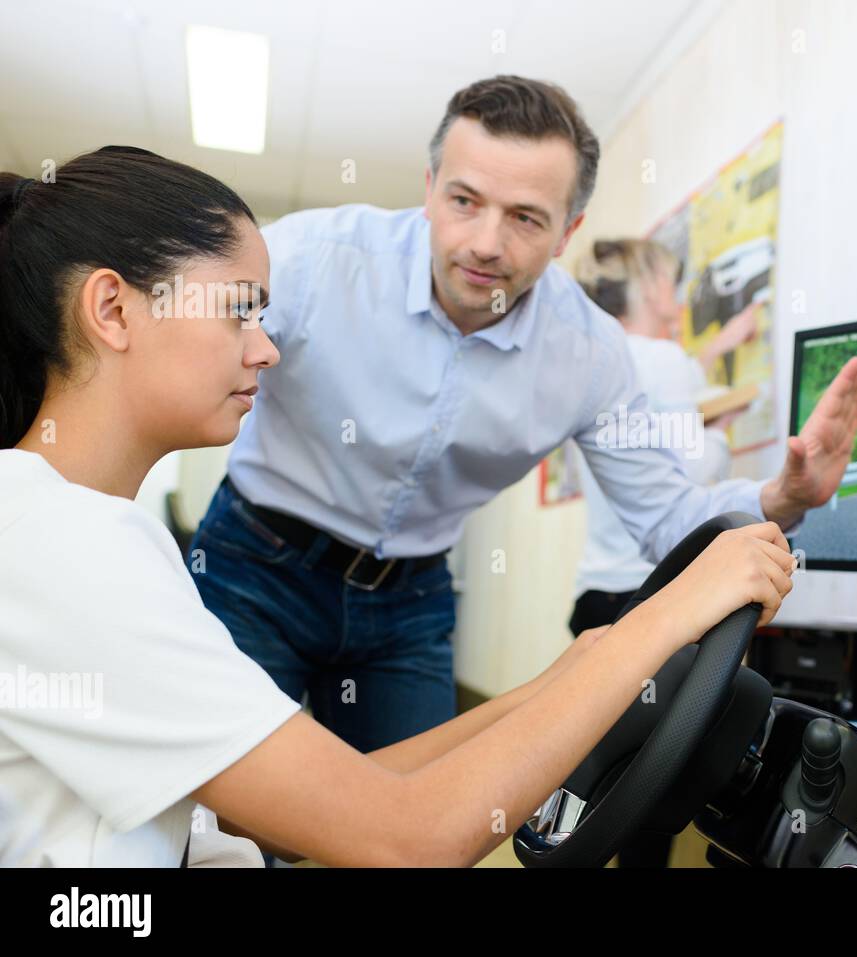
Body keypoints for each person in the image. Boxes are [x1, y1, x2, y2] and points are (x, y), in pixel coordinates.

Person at [0, 147, 797, 867]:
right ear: (111, 310)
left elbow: (273, 818)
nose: (266, 346)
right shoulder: (63, 545)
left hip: (405, 587)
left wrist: (576, 670)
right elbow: (407, 836)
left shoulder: (83, 532)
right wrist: (663, 620)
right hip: (268, 553)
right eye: (239, 308)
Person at [191, 74, 857, 755]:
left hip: (408, 600)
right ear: (429, 188)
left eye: (525, 217)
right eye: (465, 200)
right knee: (222, 824)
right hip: (254, 562)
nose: (487, 242)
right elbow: (172, 366)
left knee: (417, 826)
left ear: (568, 231)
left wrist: (780, 498)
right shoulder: (310, 259)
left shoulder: (589, 354)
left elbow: (664, 516)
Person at [567, 237, 757, 868]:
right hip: (653, 598)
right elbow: (690, 476)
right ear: (650, 290)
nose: (677, 297)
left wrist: (714, 353)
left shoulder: (596, 359)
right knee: (650, 793)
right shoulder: (666, 360)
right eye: (671, 284)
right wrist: (721, 434)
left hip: (596, 595)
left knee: (605, 779)